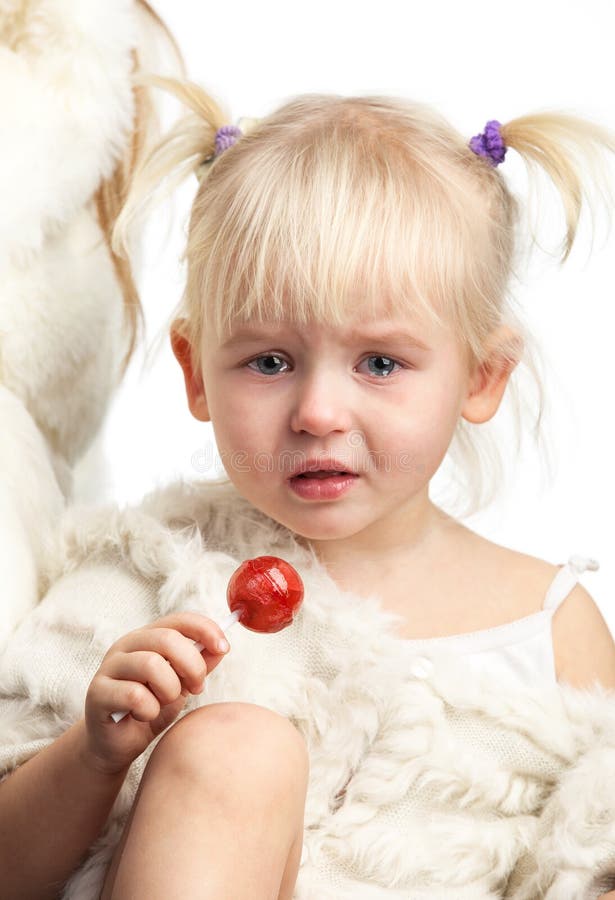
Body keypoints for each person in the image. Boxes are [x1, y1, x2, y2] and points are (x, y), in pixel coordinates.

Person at [1, 77, 615, 900]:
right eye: (268, 362)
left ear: (481, 376)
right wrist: (92, 754)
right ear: (195, 375)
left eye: (380, 363)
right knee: (237, 747)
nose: (318, 412)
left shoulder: (551, 625)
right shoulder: (144, 579)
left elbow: (587, 850)